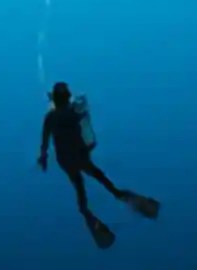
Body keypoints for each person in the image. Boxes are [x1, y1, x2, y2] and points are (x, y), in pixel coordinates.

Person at [38, 82, 159, 248]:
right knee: (98, 179)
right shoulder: (70, 113)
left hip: (68, 160)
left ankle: (89, 214)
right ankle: (119, 198)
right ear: (66, 99)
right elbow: (77, 114)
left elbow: (45, 139)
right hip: (79, 156)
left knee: (81, 188)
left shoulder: (51, 117)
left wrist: (43, 156)